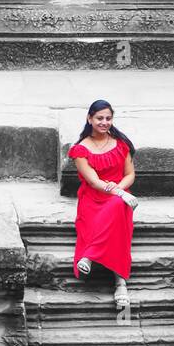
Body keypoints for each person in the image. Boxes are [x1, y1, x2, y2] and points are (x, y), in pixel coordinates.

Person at [67, 100, 138, 309]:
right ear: (90, 119)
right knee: (118, 207)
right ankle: (120, 283)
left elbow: (130, 174)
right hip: (93, 198)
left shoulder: (122, 144)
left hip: (118, 196)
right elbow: (93, 181)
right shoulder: (80, 149)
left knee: (117, 207)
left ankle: (90, 256)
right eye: (99, 118)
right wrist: (119, 193)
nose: (104, 122)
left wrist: (121, 192)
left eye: (108, 118)